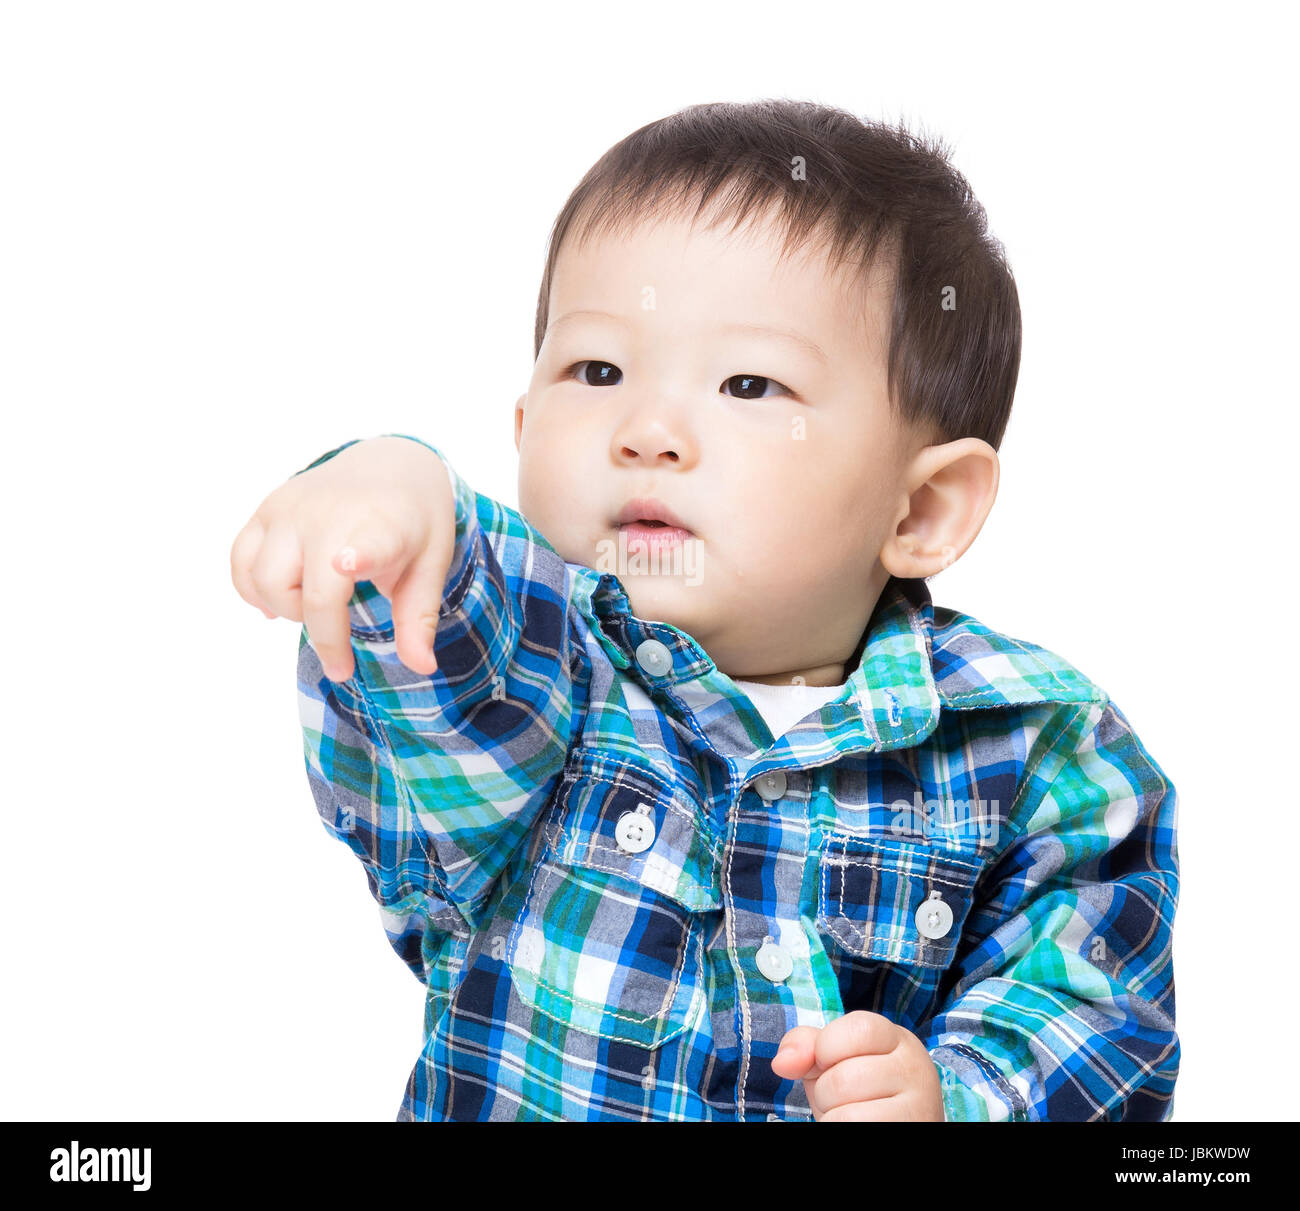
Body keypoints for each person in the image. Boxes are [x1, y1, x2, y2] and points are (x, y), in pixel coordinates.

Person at [230, 99, 1180, 1121]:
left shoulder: (1030, 740)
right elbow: (450, 649)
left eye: (747, 382)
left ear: (920, 508)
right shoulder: (550, 684)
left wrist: (957, 1099)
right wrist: (398, 488)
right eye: (597, 370)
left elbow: (1096, 1013)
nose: (646, 428)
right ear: (520, 425)